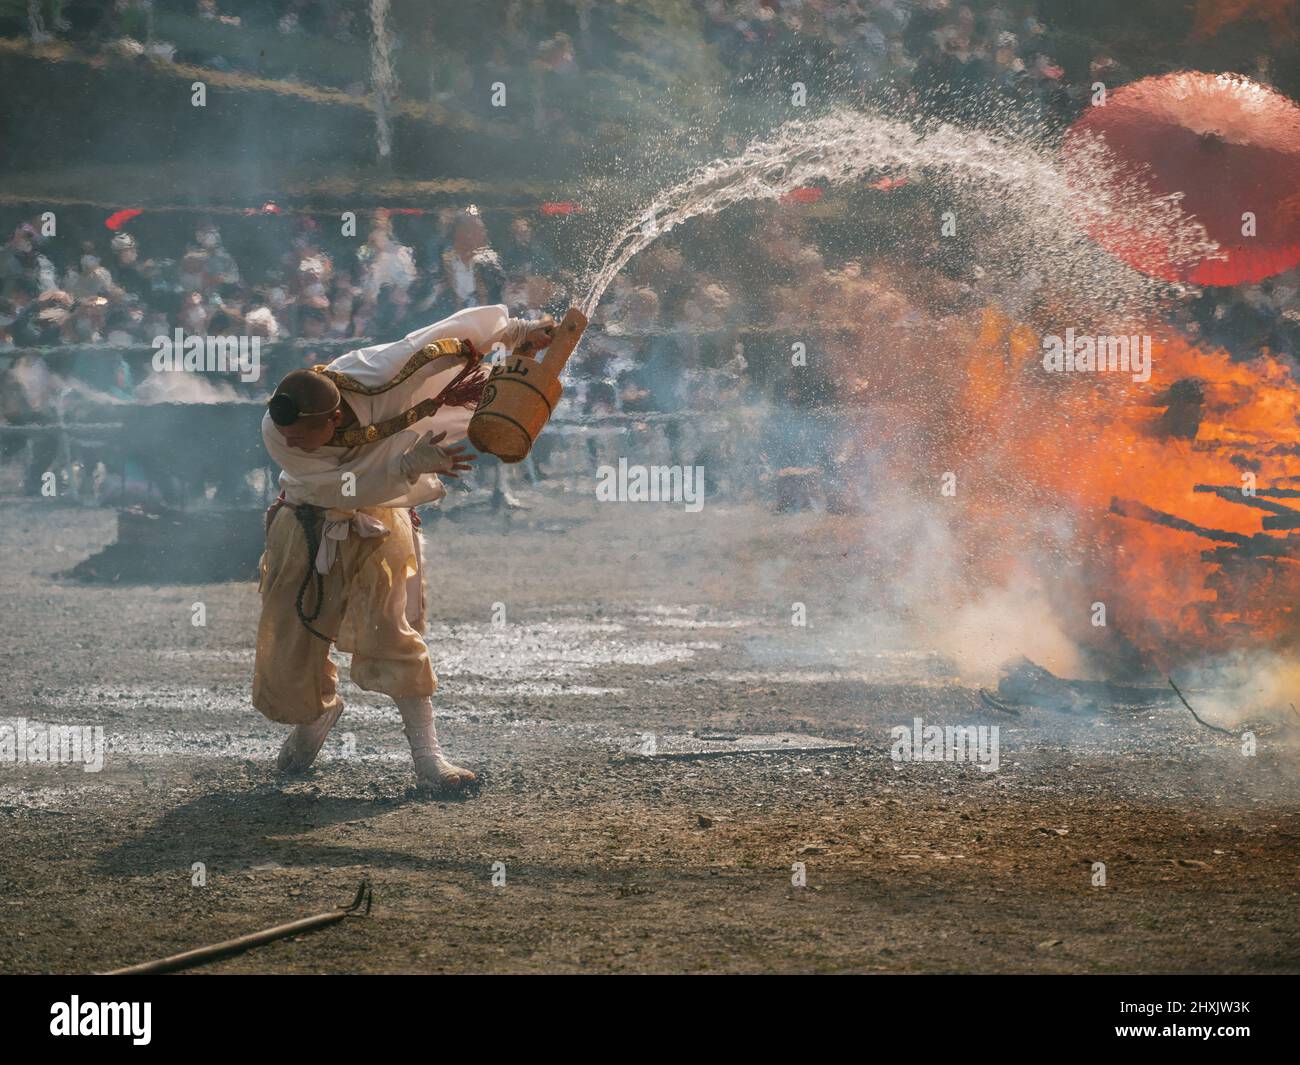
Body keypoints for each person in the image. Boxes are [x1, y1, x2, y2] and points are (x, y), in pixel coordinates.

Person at [254, 304, 554, 792]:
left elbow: (443, 337)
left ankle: (428, 759)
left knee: (393, 632)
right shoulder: (277, 431)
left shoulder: (379, 372)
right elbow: (334, 488)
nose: (294, 442)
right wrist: (406, 466)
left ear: (332, 417)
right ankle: (317, 716)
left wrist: (518, 333)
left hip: (380, 519)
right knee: (293, 645)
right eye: (289, 436)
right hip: (307, 521)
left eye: (304, 434)